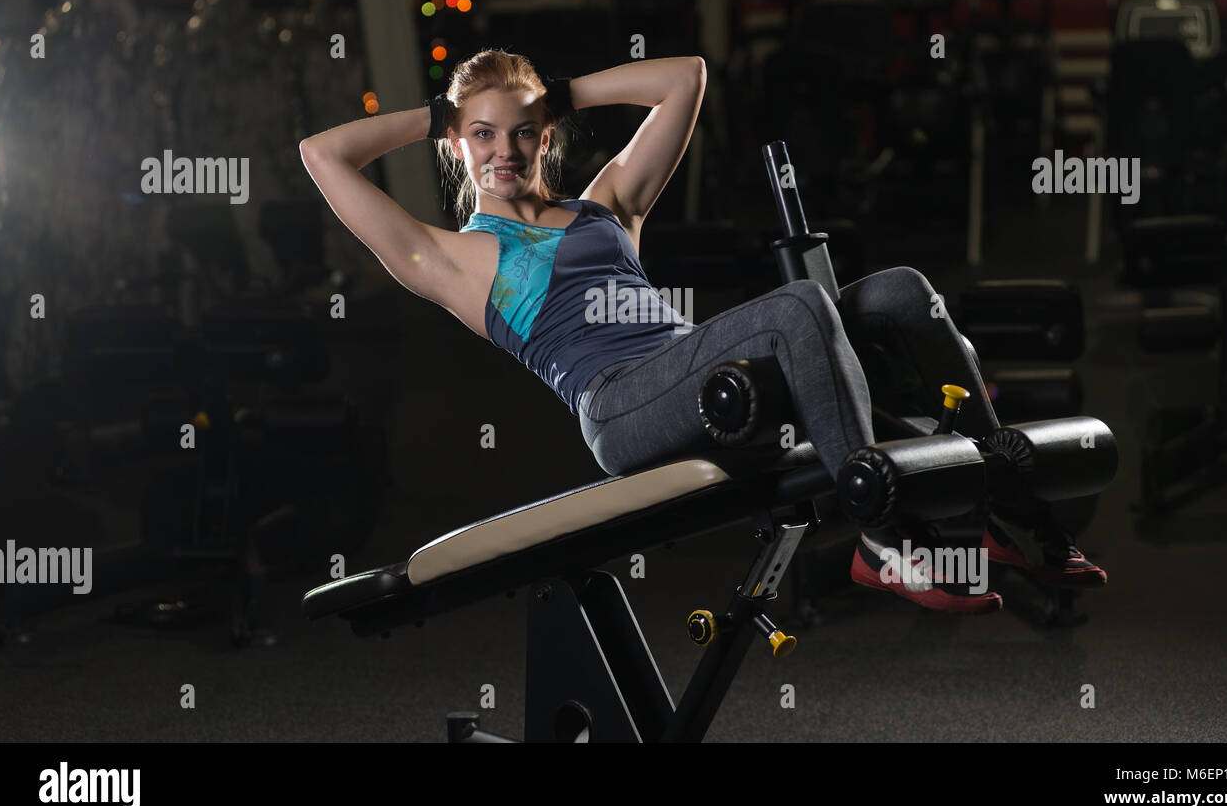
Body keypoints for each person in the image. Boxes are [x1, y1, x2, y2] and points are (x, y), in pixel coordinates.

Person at [300, 49, 1106, 614]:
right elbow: (323, 154)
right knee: (795, 308)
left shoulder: (605, 204)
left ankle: (1013, 511)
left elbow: (684, 78)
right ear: (458, 144)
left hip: (698, 370)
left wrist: (560, 91)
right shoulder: (453, 257)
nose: (504, 150)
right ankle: (883, 538)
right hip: (619, 405)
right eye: (482, 135)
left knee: (901, 291)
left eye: (521, 130)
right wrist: (444, 110)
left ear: (545, 133)